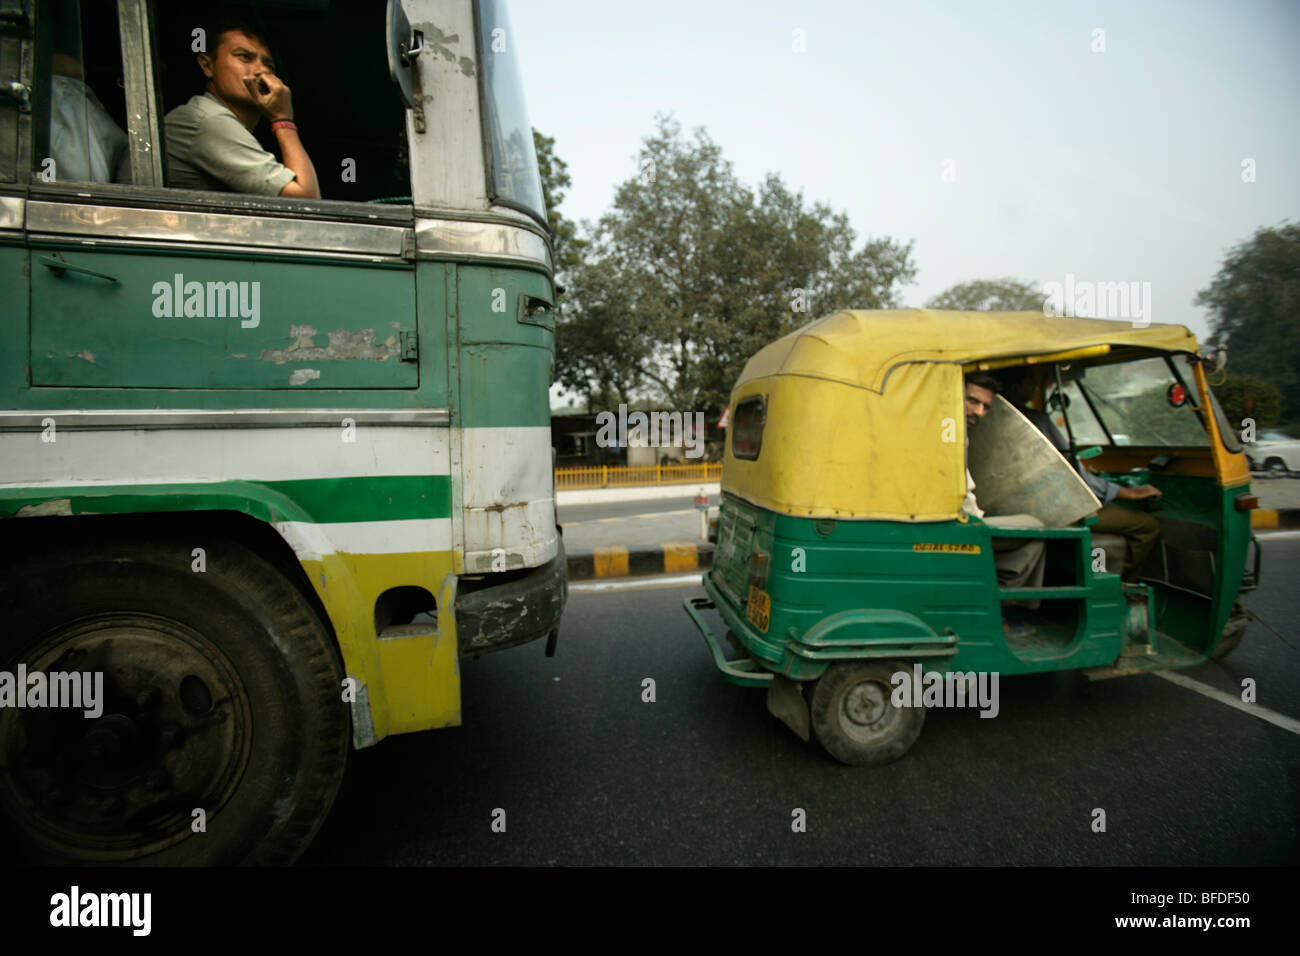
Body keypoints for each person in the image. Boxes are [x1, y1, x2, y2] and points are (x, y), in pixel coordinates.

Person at [995, 368, 1161, 582]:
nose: (1035, 388)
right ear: (1017, 387)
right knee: (1147, 526)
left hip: (1013, 508)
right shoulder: (1035, 421)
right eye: (1031, 382)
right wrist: (1129, 493)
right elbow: (1074, 478)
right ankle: (1120, 586)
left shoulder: (983, 421)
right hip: (1057, 511)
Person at [164, 17, 320, 198]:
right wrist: (282, 119)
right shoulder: (208, 121)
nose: (261, 71)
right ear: (207, 66)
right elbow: (307, 202)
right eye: (244, 57)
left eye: (269, 65)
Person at [963, 374, 1048, 608]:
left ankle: (1007, 605)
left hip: (956, 521)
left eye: (985, 407)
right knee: (1037, 526)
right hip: (959, 526)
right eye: (972, 401)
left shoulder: (957, 433)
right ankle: (1008, 609)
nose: (979, 412)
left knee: (1032, 543)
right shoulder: (951, 435)